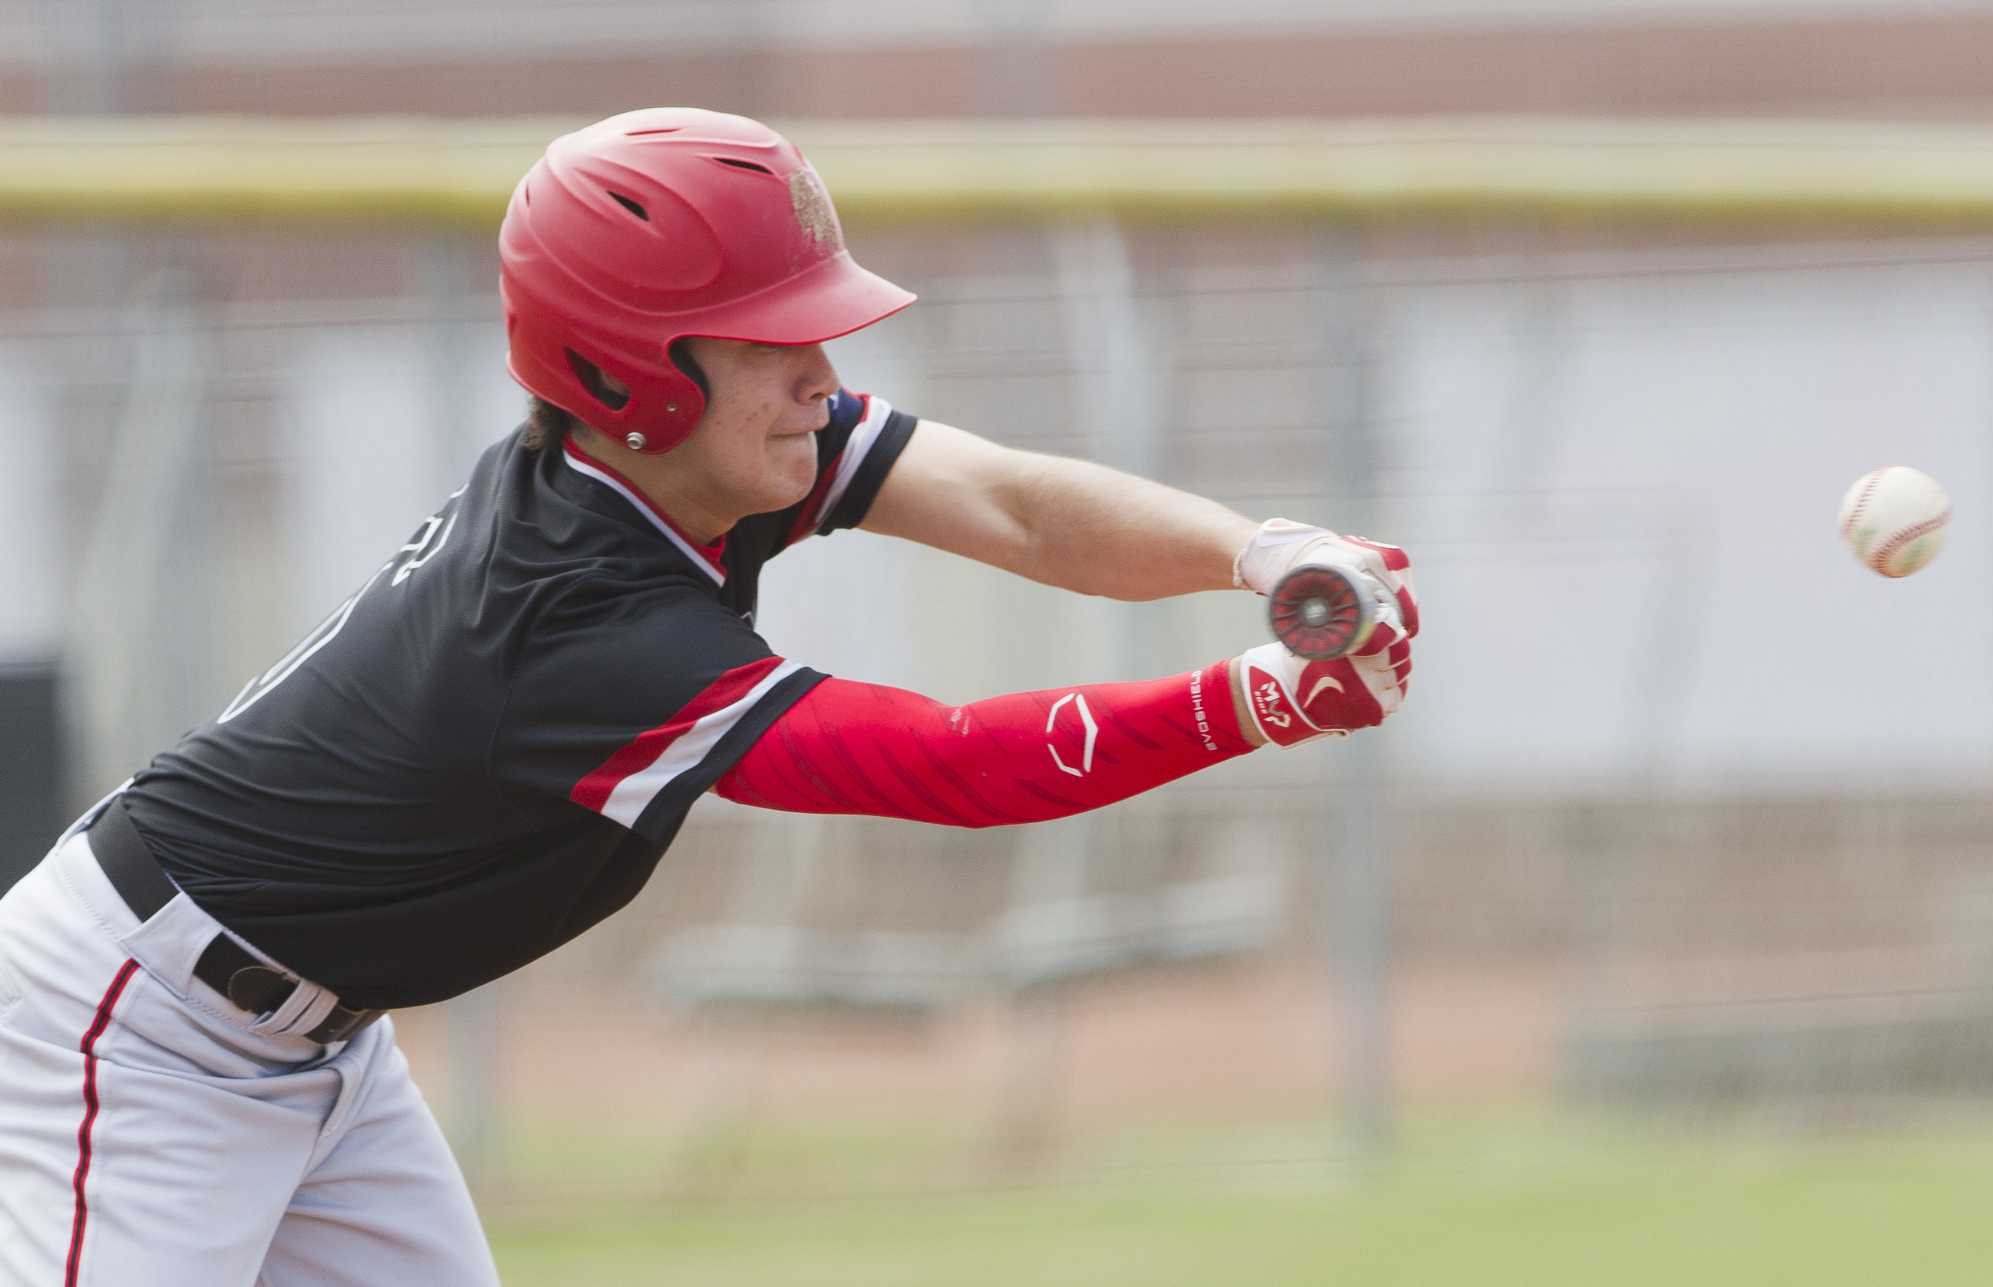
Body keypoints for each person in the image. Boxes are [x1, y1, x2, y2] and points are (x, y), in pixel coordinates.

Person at [0, 107, 1417, 1285]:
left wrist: (1267, 552)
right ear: (628, 370)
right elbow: (948, 765)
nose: (822, 371)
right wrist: (1261, 702)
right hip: (133, 1029)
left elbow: (1015, 505)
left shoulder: (687, 469)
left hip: (314, 1032)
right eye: (771, 335)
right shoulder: (576, 620)